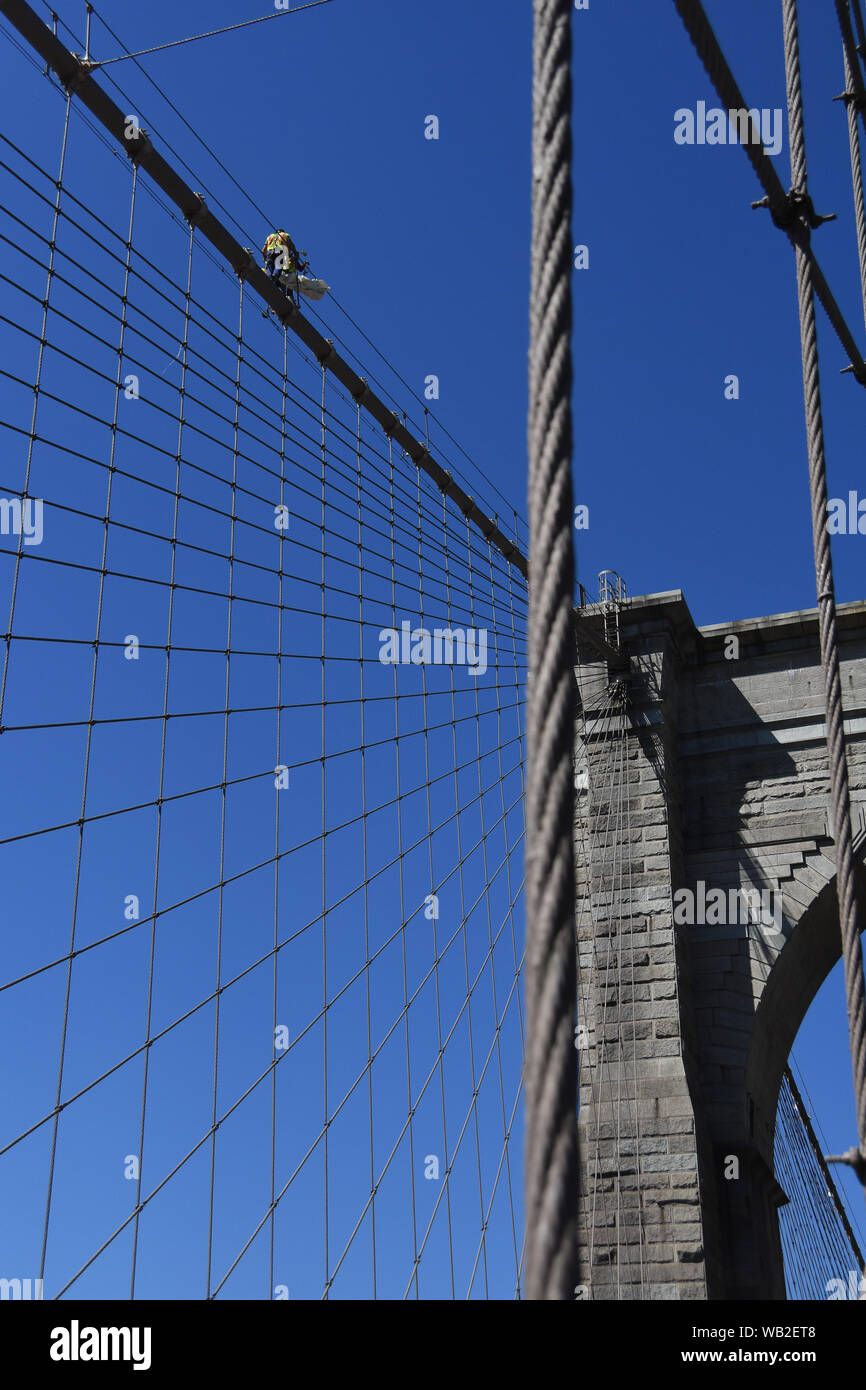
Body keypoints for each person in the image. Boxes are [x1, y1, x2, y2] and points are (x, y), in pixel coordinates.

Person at [262, 230, 307, 294]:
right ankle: (274, 277)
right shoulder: (285, 235)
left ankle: (269, 278)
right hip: (280, 252)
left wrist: (264, 257)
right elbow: (291, 245)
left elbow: (263, 250)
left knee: (270, 266)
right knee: (278, 266)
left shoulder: (270, 237)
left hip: (270, 253)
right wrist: (294, 252)